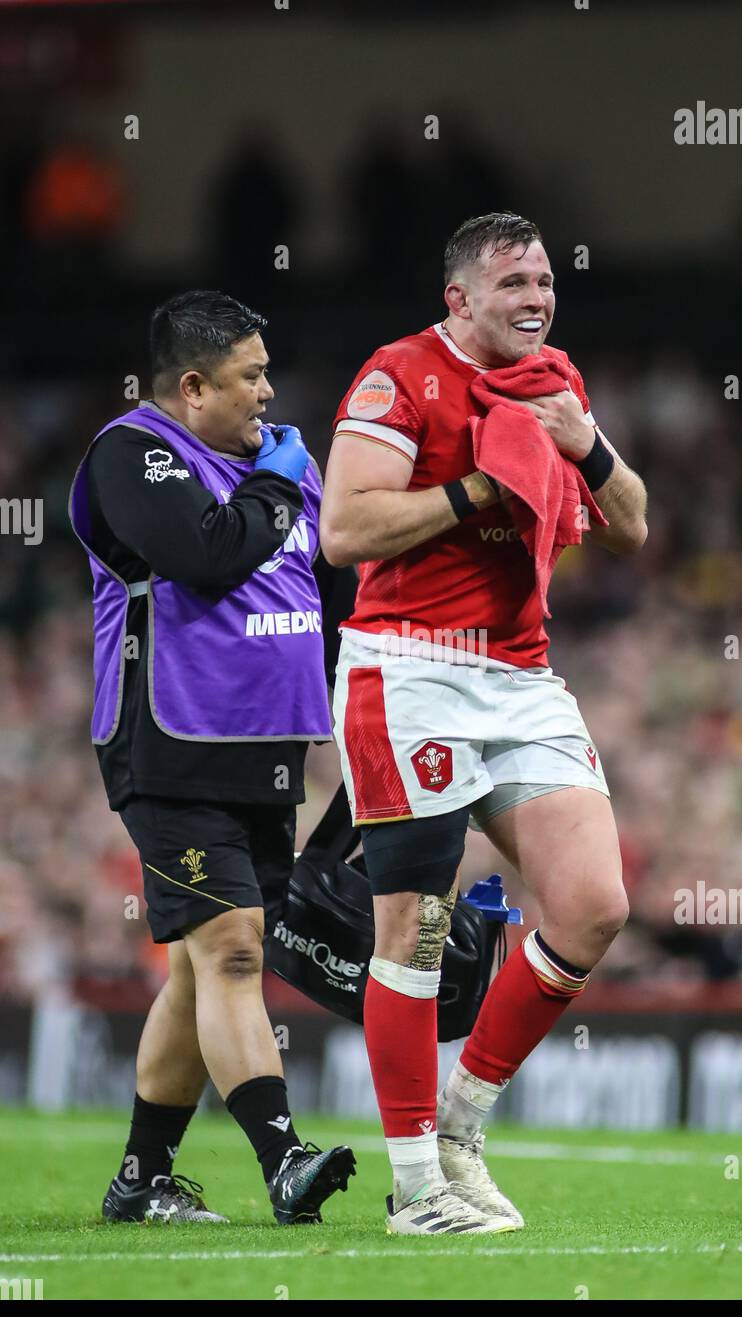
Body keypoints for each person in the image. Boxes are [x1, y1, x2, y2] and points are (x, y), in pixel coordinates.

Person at [320, 212, 648, 1235]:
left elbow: (633, 526)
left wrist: (581, 444)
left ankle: (461, 1124)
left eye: (543, 279)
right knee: (413, 926)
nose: (534, 298)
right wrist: (472, 488)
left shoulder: (557, 382)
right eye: (511, 282)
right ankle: (415, 1184)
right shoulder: (398, 374)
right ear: (459, 299)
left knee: (592, 905)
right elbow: (342, 528)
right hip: (406, 664)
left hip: (518, 671)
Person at [69, 290, 356, 1224]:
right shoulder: (134, 453)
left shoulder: (285, 470)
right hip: (167, 746)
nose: (268, 393)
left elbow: (336, 589)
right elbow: (204, 552)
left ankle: (140, 1181)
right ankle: (284, 1163)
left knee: (203, 968)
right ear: (192, 387)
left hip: (266, 753)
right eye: (249, 376)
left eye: (268, 372)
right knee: (232, 948)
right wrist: (277, 484)